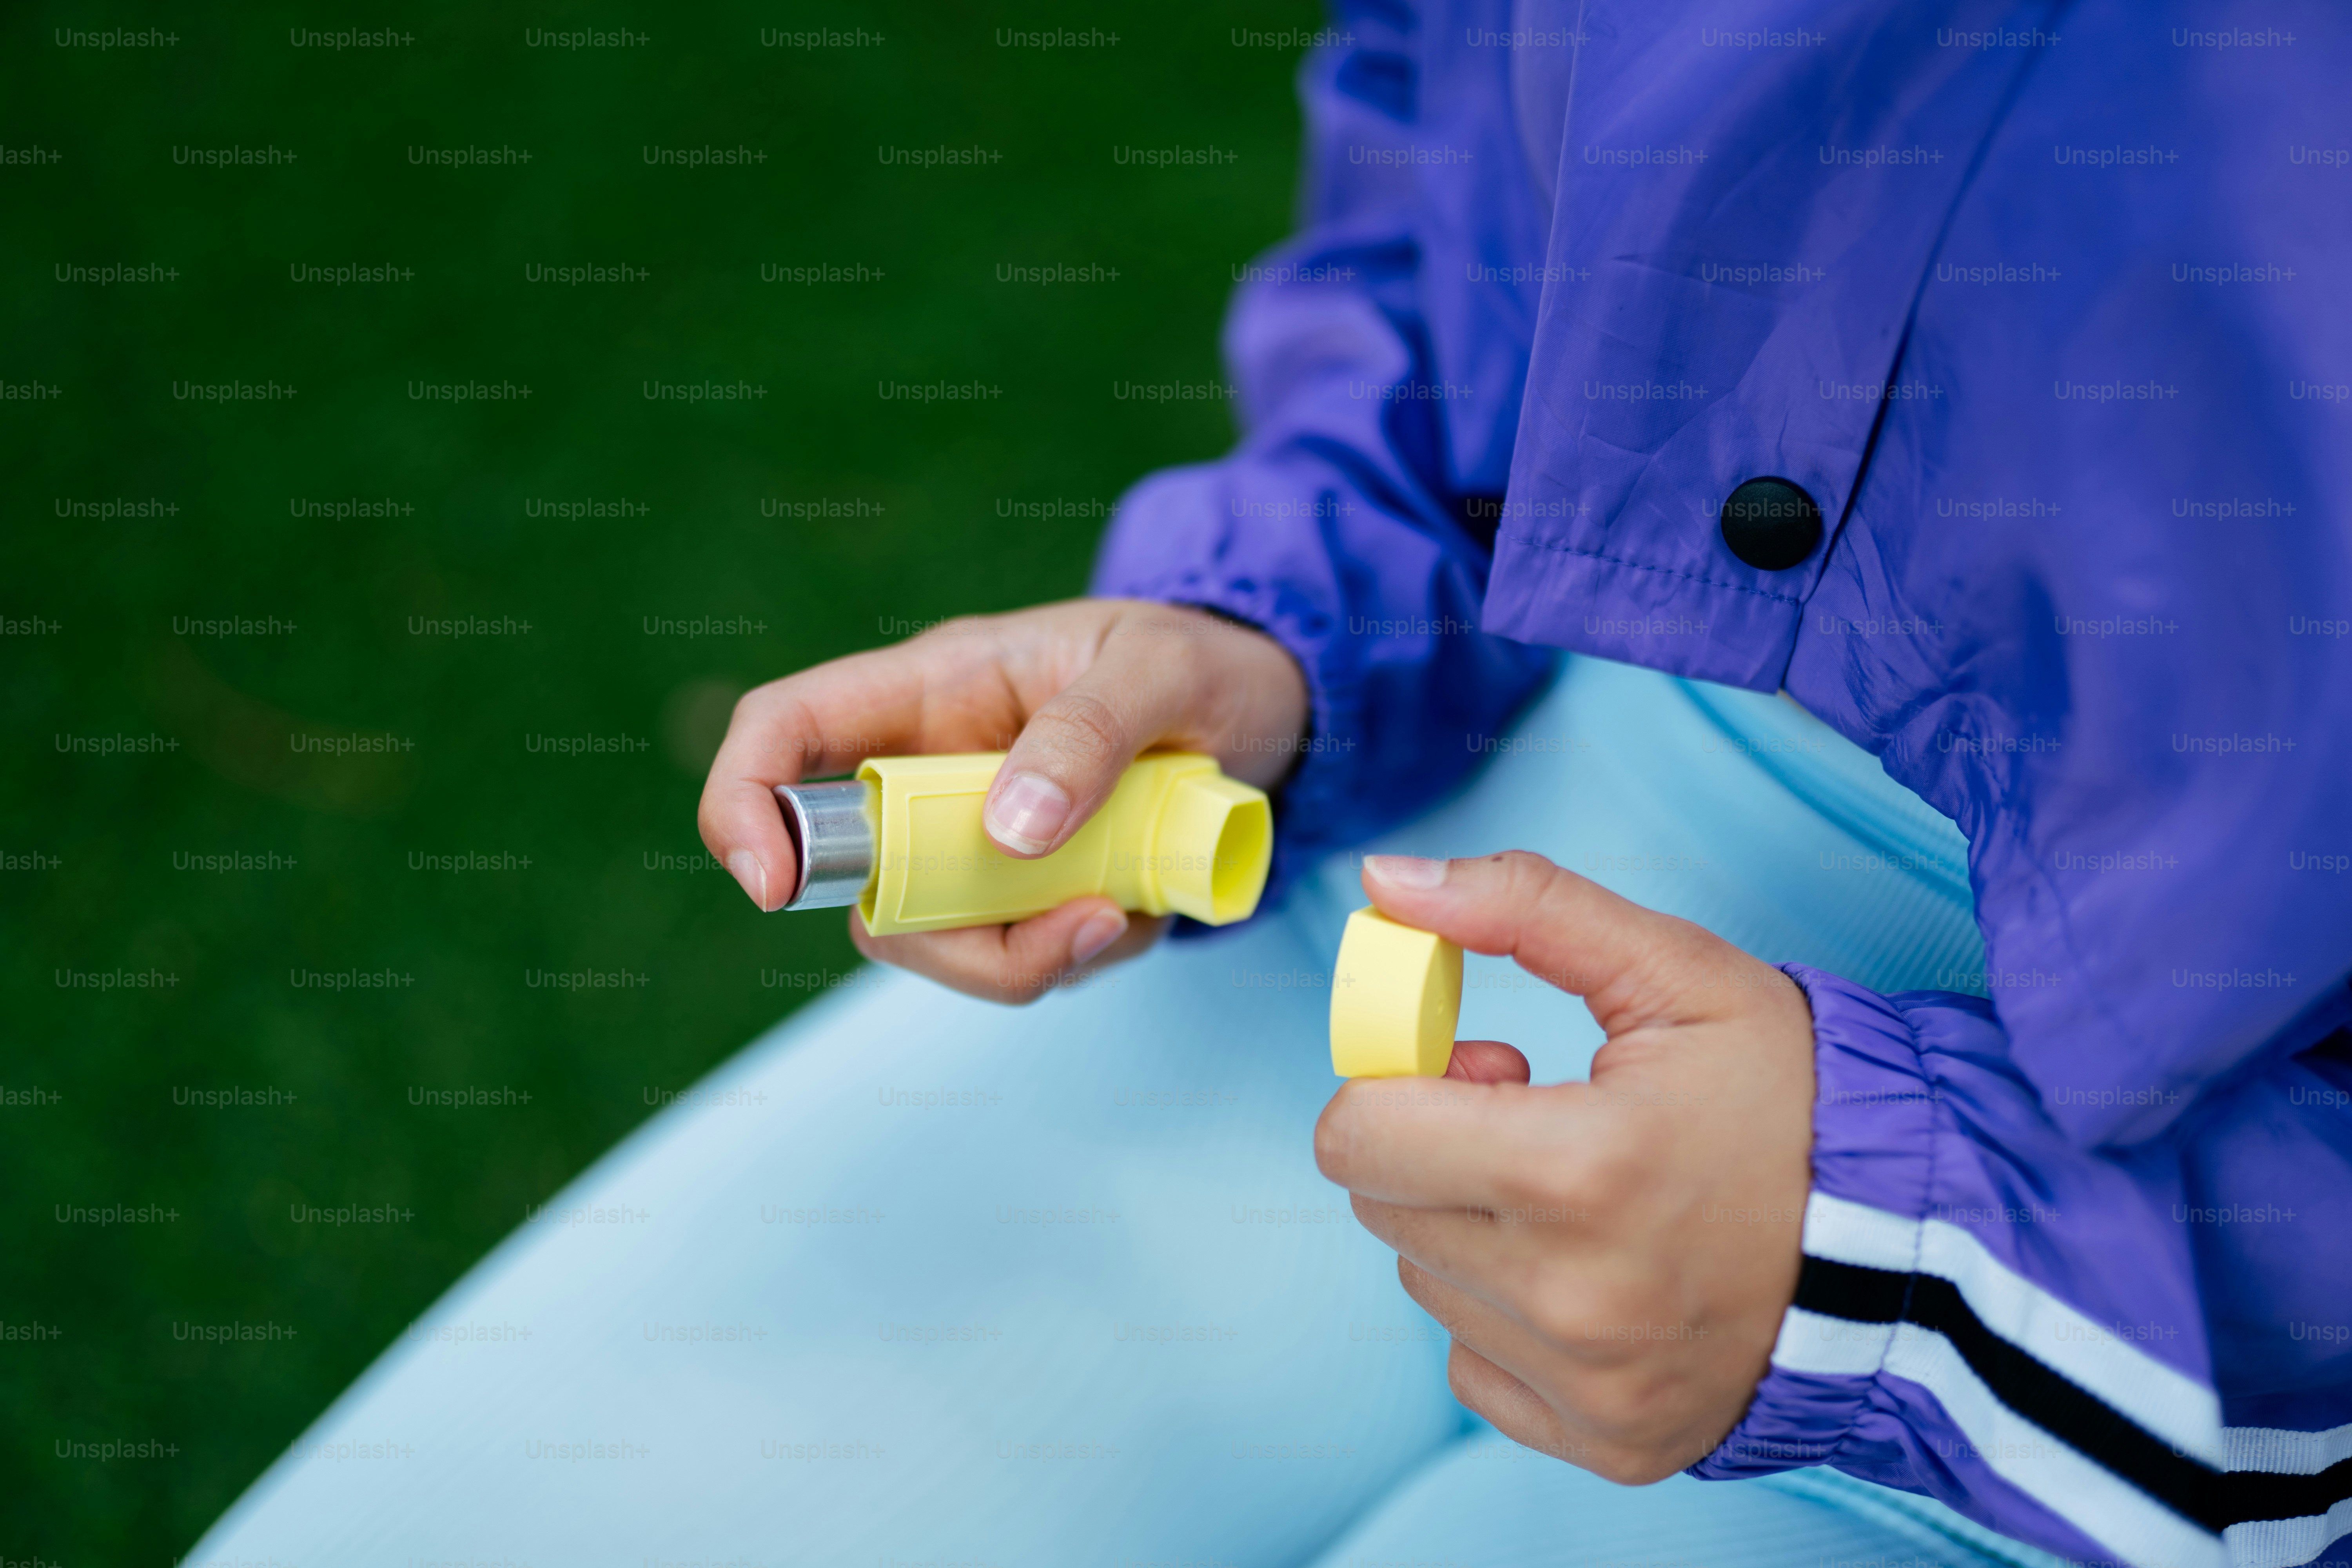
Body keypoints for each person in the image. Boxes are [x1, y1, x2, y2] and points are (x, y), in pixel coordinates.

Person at [193, 6, 2350, 1568]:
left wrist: (1915, 1270)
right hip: (1506, 842)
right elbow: (1470, 149)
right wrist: (1294, 624)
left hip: (2169, 1312)